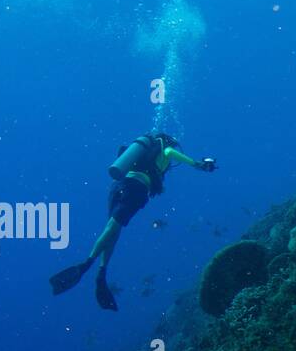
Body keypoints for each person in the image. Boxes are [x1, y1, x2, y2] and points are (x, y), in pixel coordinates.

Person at [50, 132, 216, 310]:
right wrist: (196, 164)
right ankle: (87, 265)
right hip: (136, 190)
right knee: (113, 228)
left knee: (112, 229)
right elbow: (170, 153)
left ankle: (101, 272)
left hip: (117, 188)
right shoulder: (164, 150)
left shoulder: (141, 152)